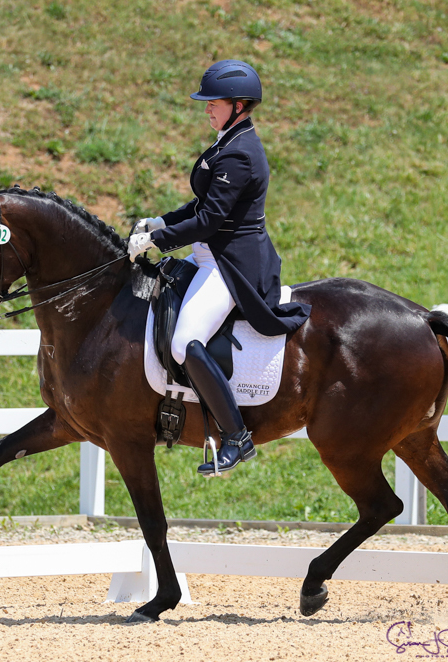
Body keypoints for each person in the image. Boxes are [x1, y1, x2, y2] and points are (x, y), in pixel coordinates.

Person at [128, 59, 311, 476]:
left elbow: (210, 221)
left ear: (240, 104)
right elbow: (200, 207)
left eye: (214, 102)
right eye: (206, 102)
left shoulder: (241, 154)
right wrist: (163, 222)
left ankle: (236, 437)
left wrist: (157, 241)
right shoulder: (228, 140)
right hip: (209, 253)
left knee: (184, 341)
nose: (207, 108)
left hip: (231, 265)